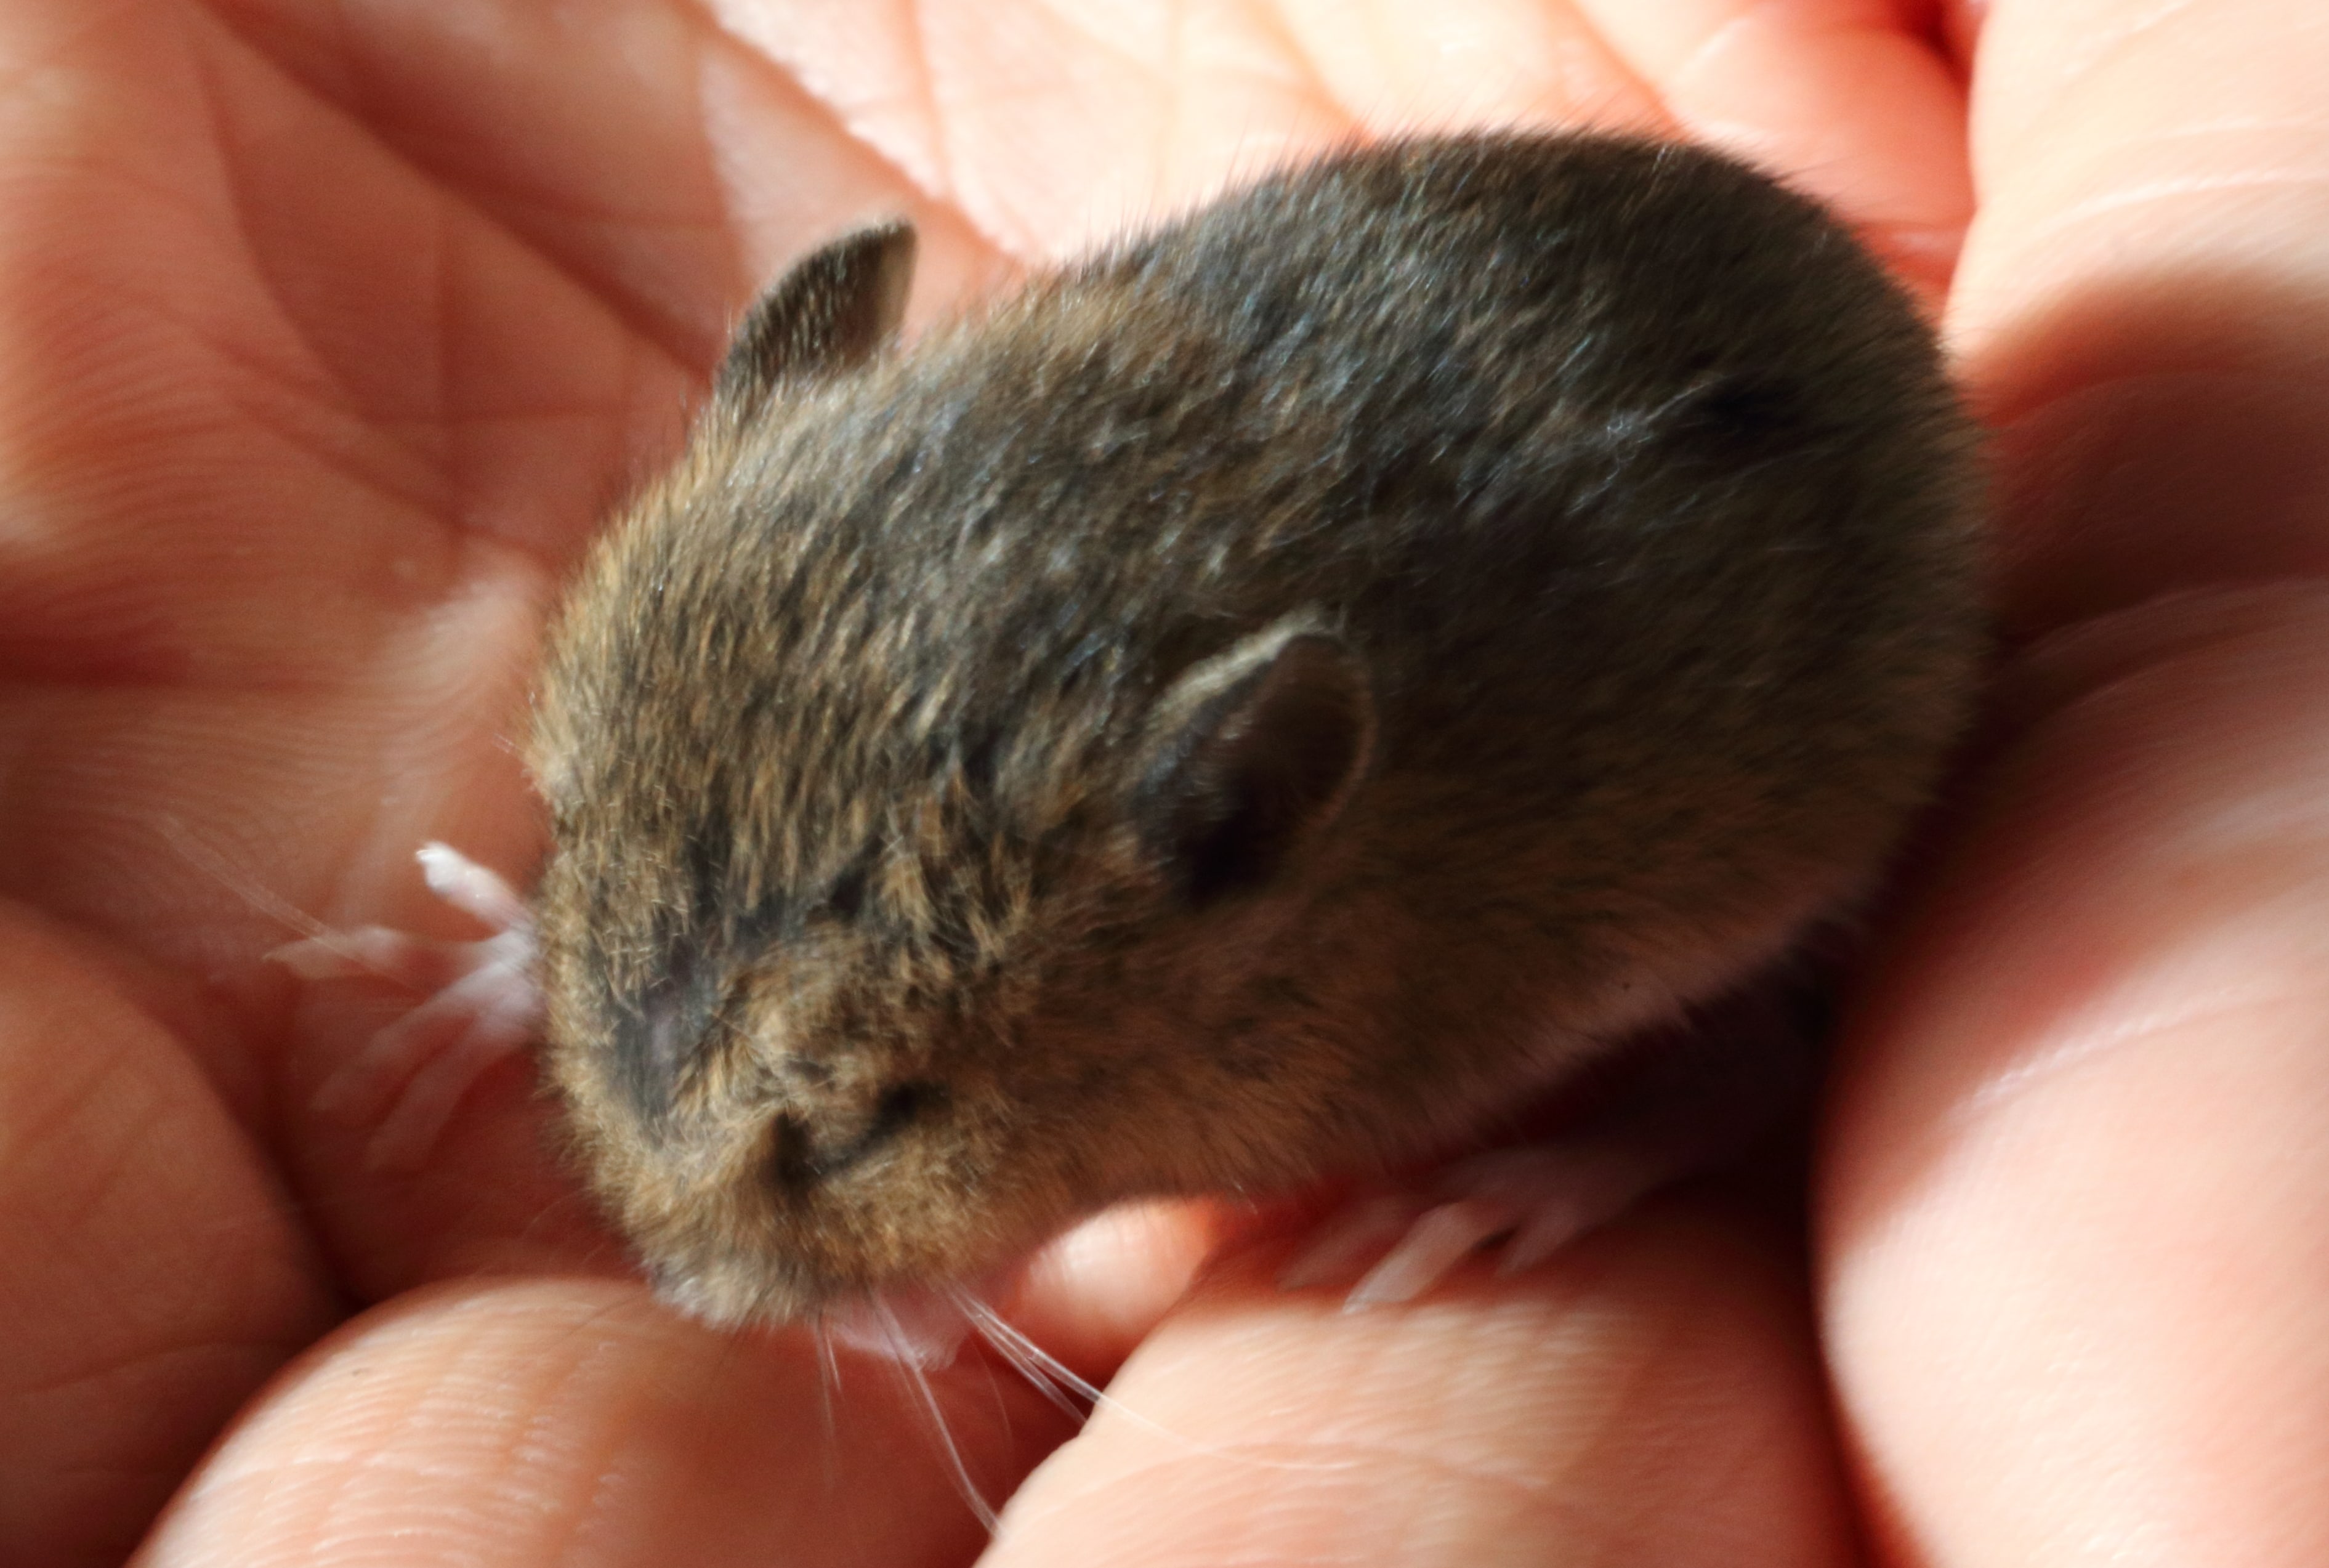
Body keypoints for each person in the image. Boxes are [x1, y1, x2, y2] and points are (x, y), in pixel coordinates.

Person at [4, 1, 2326, 1562]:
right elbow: (728, 832)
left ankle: (1705, 1103)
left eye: (856, 1128)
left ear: (1235, 830)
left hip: (1766, 482)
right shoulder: (818, 672)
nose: (710, 1268)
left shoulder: (1310, 940)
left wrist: (1654, 1119)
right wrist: (580, 947)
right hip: (1446, 346)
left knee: (1759, 893)